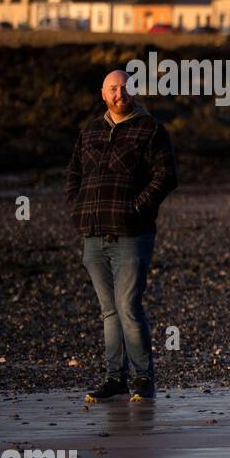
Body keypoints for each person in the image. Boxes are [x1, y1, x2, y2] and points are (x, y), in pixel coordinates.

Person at [67, 69, 178, 403]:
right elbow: (73, 175)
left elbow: (166, 176)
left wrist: (137, 207)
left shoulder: (151, 130)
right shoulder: (89, 132)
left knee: (128, 307)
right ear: (103, 94)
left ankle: (143, 379)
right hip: (92, 233)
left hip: (132, 234)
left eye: (125, 87)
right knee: (108, 311)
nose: (119, 93)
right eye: (113, 88)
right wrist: (78, 209)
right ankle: (115, 378)